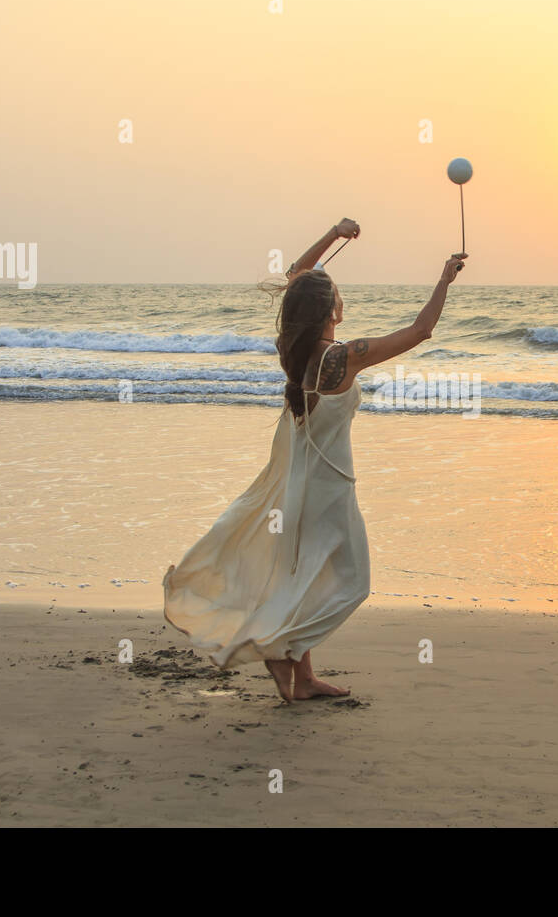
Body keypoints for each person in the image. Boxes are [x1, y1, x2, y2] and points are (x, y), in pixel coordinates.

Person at [164, 217, 467, 702]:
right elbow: (421, 330)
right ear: (331, 309)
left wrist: (333, 233)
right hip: (326, 489)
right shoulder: (342, 356)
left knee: (302, 576)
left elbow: (297, 274)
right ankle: (282, 649)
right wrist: (444, 279)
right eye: (336, 294)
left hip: (294, 483)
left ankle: (301, 677)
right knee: (351, 581)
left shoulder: (296, 349)